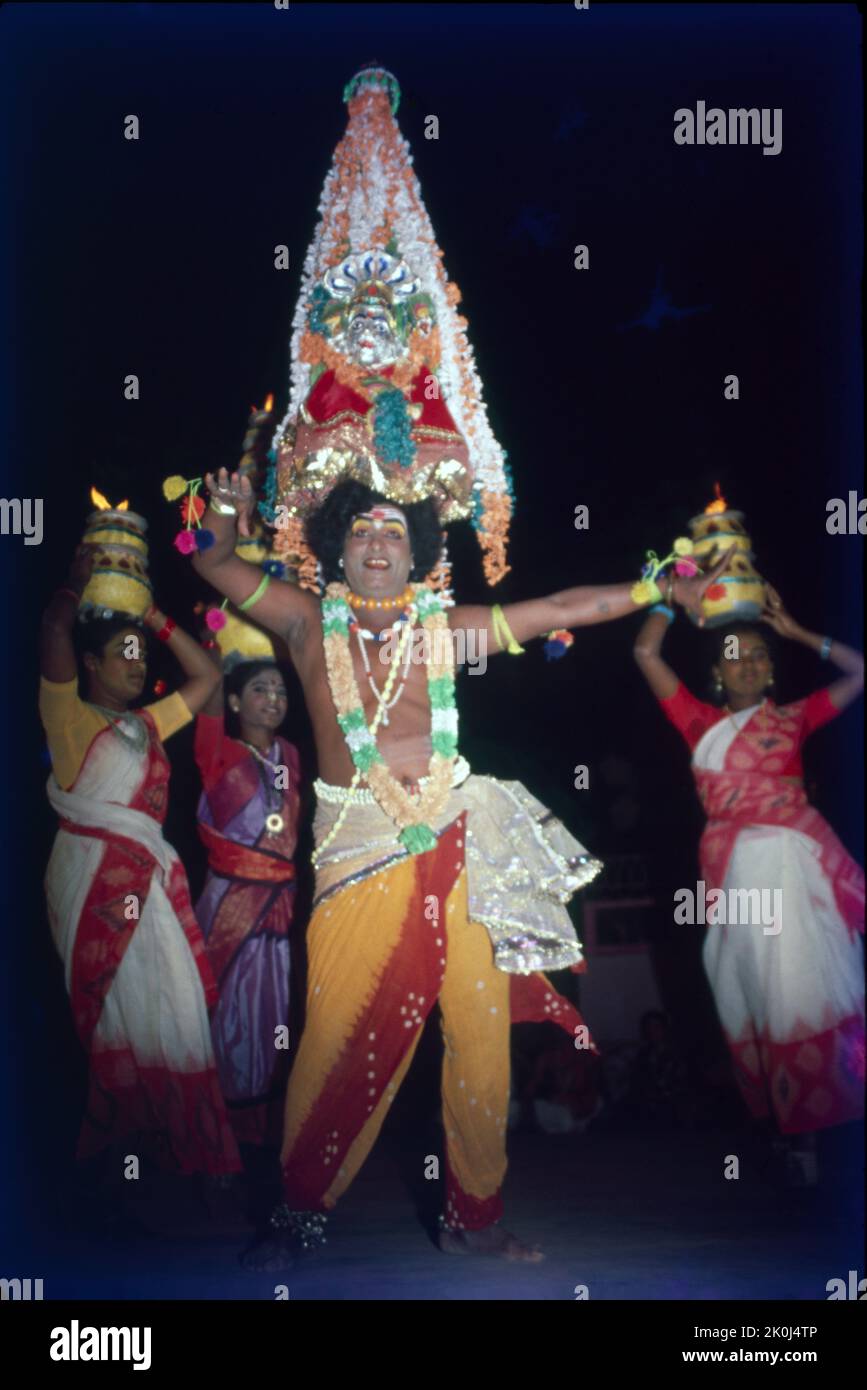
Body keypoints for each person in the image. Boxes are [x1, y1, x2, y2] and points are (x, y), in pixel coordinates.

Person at [191, 468, 727, 1266]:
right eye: (364, 532)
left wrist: (658, 588)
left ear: (419, 558)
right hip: (355, 850)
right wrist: (227, 513)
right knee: (333, 1035)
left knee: (478, 1033)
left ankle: (473, 1215)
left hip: (456, 838)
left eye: (395, 535)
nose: (378, 544)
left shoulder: (443, 628)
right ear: (337, 548)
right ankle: (300, 1212)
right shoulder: (304, 623)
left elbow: (557, 608)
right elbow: (214, 564)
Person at [633, 585, 865, 1184]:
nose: (749, 661)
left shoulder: (796, 717)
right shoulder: (699, 723)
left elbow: (859, 671)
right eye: (735, 653)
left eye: (761, 654)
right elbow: (645, 654)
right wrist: (666, 599)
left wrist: (799, 633)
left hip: (799, 869)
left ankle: (812, 1142)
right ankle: (786, 1132)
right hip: (737, 874)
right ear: (716, 672)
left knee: (806, 995)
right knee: (755, 999)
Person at [39, 544, 241, 1183]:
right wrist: (76, 587)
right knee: (115, 1024)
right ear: (90, 664)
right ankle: (114, 1175)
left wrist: (151, 615)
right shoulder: (69, 717)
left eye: (140, 654)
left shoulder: (146, 726)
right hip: (93, 882)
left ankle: (181, 1164)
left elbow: (207, 678)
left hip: (148, 887)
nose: (136, 662)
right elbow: (53, 630)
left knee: (174, 1012)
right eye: (122, 653)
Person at [193, 653, 301, 1149]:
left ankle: (256, 1146)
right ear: (234, 701)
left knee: (270, 1021)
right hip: (231, 907)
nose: (274, 699)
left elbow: (285, 821)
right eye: (260, 689)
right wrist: (213, 638)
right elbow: (208, 681)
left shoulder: (290, 757)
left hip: (278, 908)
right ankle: (214, 1146)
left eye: (280, 690)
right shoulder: (216, 747)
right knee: (224, 1018)